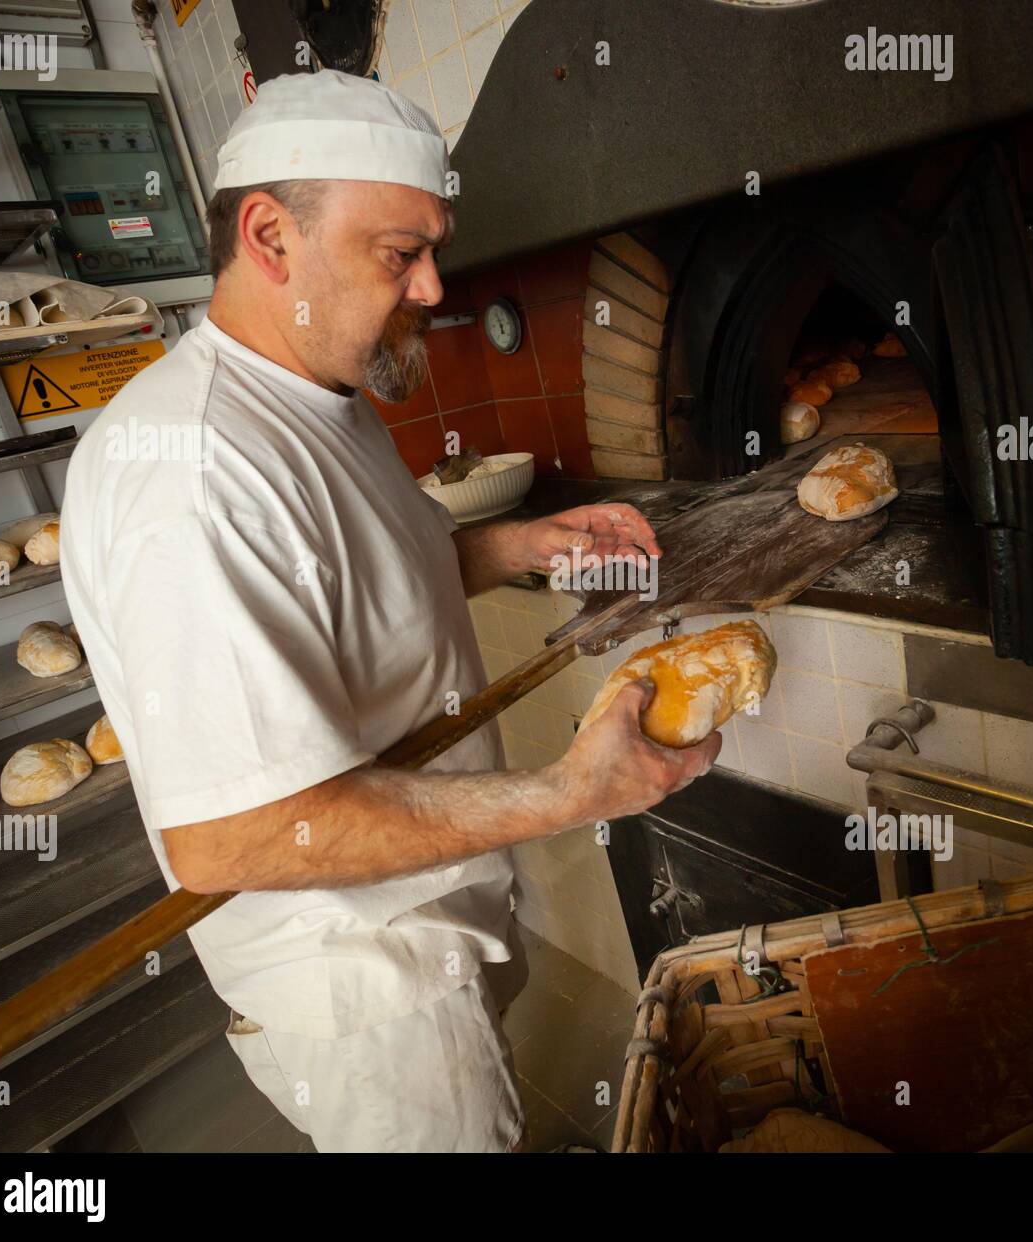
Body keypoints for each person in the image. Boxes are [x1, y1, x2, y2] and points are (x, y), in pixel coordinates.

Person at [59, 69, 719, 1153]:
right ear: (271, 236)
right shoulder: (196, 473)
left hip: (423, 925)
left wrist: (513, 546)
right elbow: (233, 839)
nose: (429, 288)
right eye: (398, 252)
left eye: (431, 249)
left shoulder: (316, 390)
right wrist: (566, 793)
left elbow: (342, 586)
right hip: (366, 984)